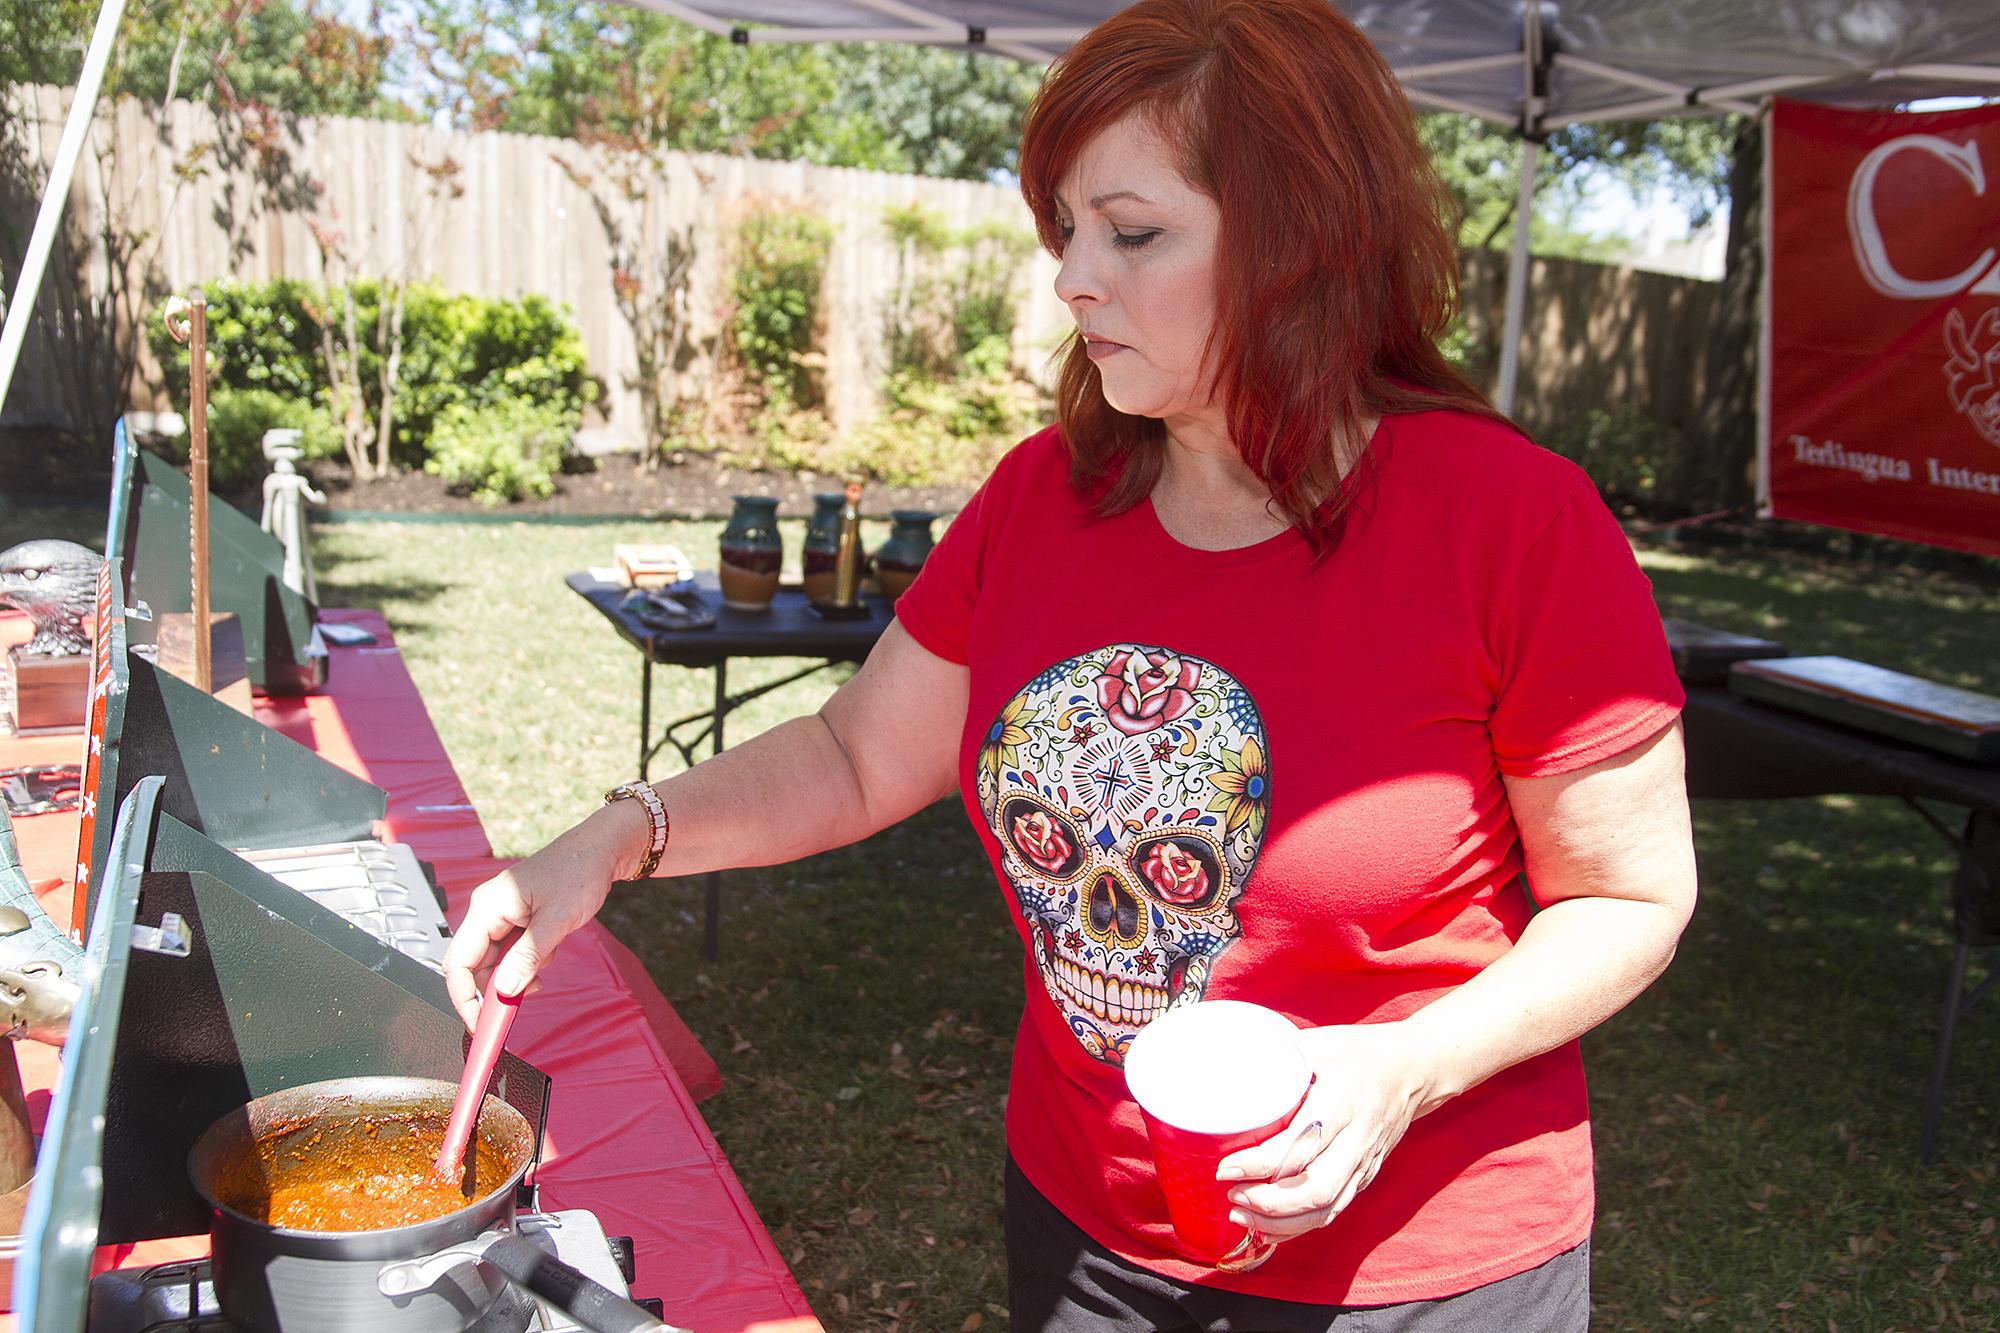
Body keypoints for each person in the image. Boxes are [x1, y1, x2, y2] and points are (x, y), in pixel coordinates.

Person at [443, 1, 1698, 1327]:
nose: (1074, 277)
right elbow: (856, 753)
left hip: (1423, 1269)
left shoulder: (1513, 522)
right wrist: (609, 839)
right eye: (1068, 229)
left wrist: (1405, 1068)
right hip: (1089, 1231)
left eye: (1133, 232)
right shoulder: (1047, 497)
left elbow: (1629, 899)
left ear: (1305, 241)